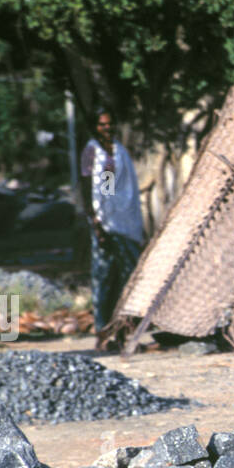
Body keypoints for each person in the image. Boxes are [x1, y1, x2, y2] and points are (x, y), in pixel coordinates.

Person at [80, 106, 144, 338]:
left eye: (110, 123)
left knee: (125, 274)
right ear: (94, 126)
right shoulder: (93, 152)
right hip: (106, 223)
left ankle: (122, 329)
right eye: (102, 124)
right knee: (105, 275)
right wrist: (97, 220)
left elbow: (117, 190)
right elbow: (94, 190)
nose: (107, 128)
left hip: (124, 221)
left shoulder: (119, 152)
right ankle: (103, 329)